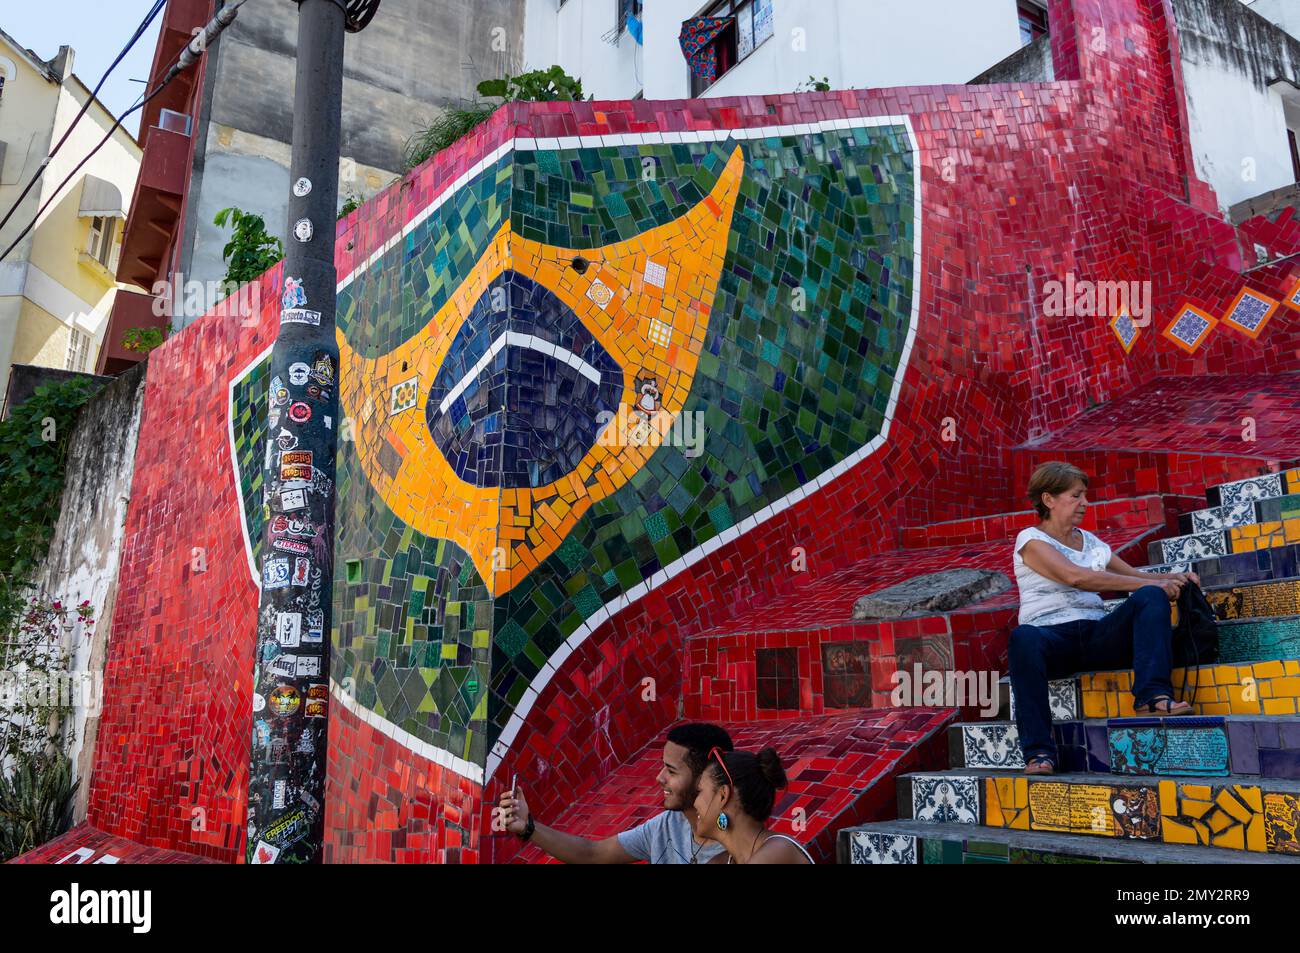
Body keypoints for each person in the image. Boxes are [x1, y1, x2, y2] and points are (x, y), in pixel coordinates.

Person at [1009, 461, 1200, 776]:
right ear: (1048, 500)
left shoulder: (1092, 543)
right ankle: (1039, 752)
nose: (1085, 503)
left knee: (1150, 597)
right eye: (1076, 496)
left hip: (1098, 635)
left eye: (1085, 495)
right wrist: (1154, 584)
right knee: (1022, 638)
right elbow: (1077, 578)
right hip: (1051, 641)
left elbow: (1137, 577)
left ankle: (1151, 696)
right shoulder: (1030, 541)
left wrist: (1175, 577)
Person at [497, 722, 733, 863]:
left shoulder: (740, 841)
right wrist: (528, 827)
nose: (659, 777)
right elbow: (593, 854)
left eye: (671, 771)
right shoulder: (666, 826)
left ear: (706, 778)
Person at [692, 746, 813, 864]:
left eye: (699, 791)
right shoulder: (720, 861)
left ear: (723, 796)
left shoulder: (778, 851)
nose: (694, 803)